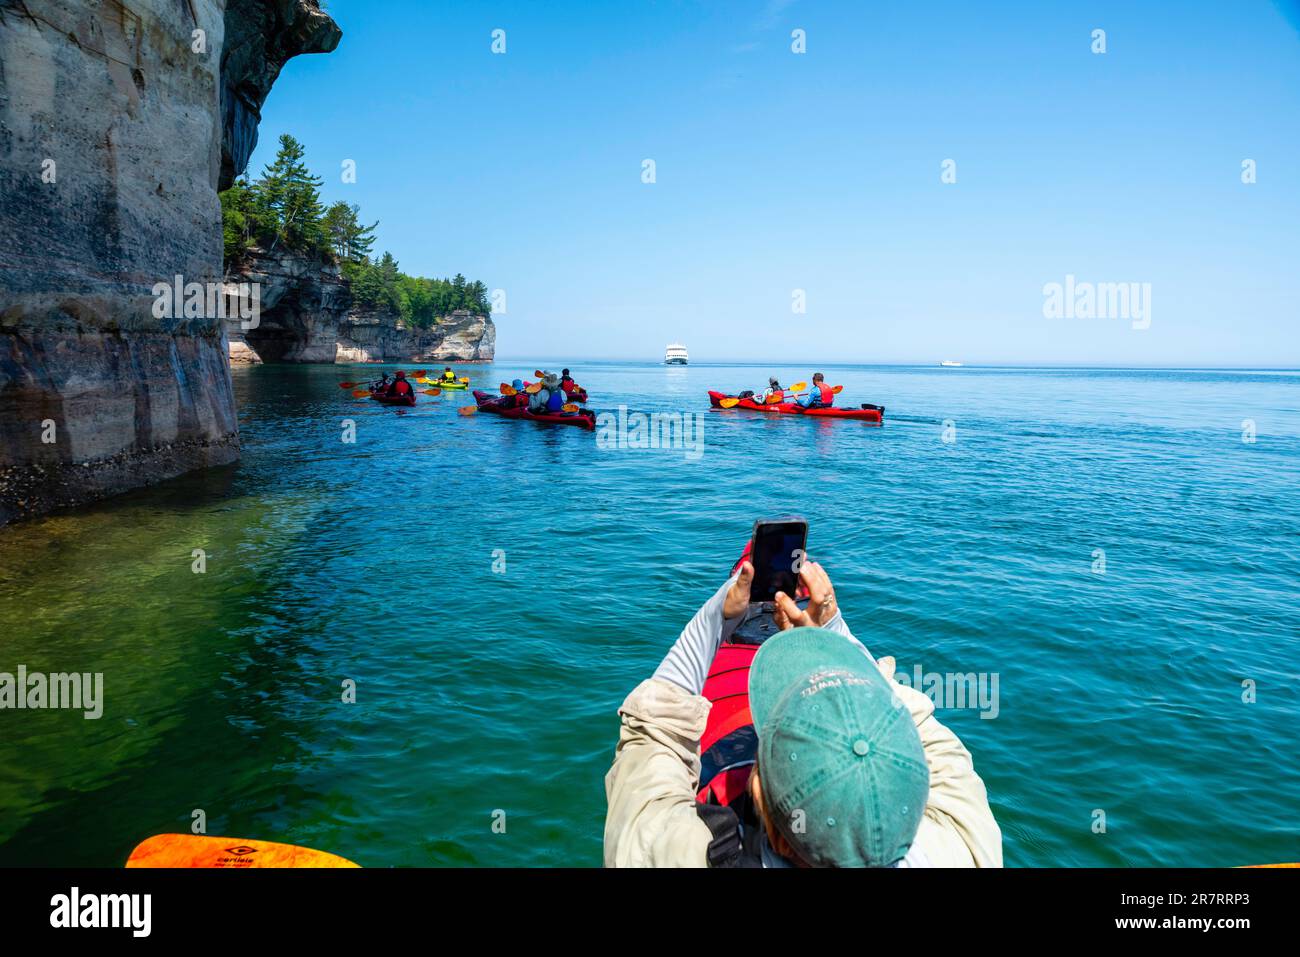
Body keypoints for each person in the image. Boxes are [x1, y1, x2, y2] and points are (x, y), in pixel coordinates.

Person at [603, 560, 1002, 868]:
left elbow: (651, 740)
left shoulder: (676, 852)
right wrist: (831, 632)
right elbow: (918, 726)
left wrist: (715, 620)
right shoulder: (965, 848)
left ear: (772, 824)